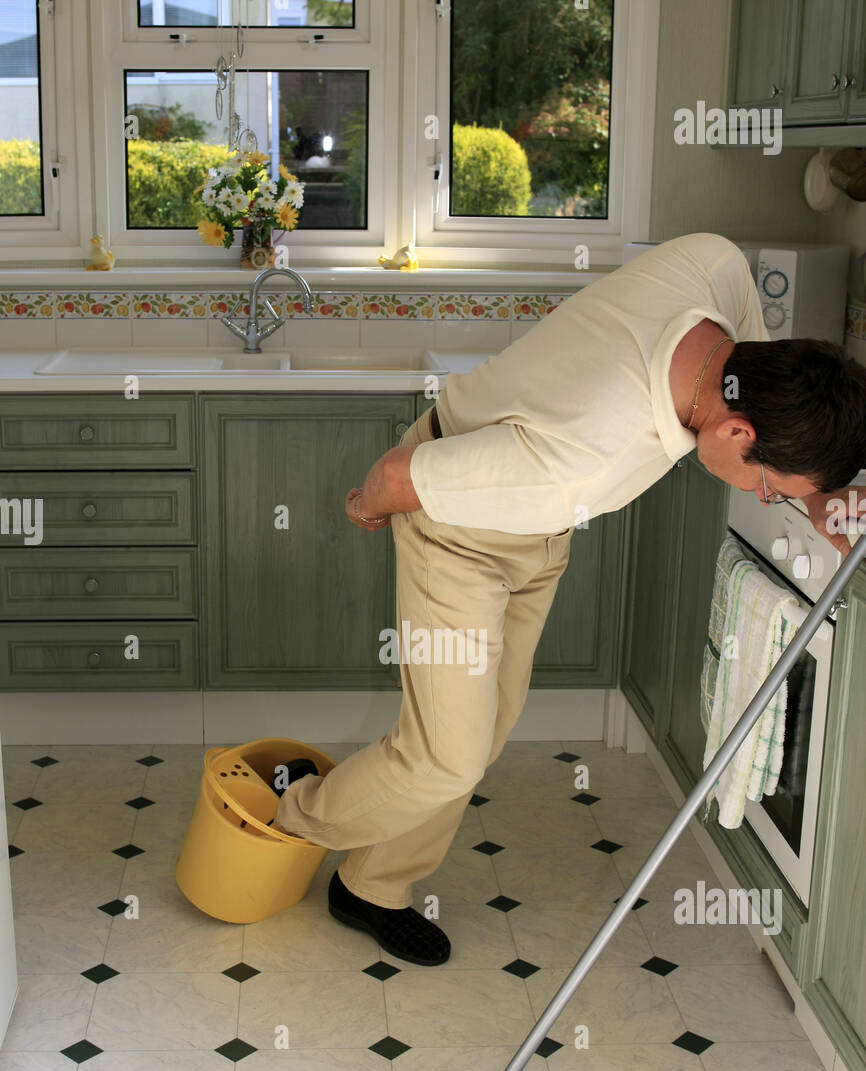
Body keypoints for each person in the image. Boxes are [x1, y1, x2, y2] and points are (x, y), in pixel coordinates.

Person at [273, 232, 866, 966]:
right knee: (446, 758)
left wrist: (816, 491)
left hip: (537, 525)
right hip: (455, 531)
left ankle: (370, 885)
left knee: (482, 733)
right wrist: (368, 506)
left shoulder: (708, 271)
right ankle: (289, 814)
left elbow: (743, 305)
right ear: (736, 429)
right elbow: (400, 476)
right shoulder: (591, 451)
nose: (766, 497)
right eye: (771, 486)